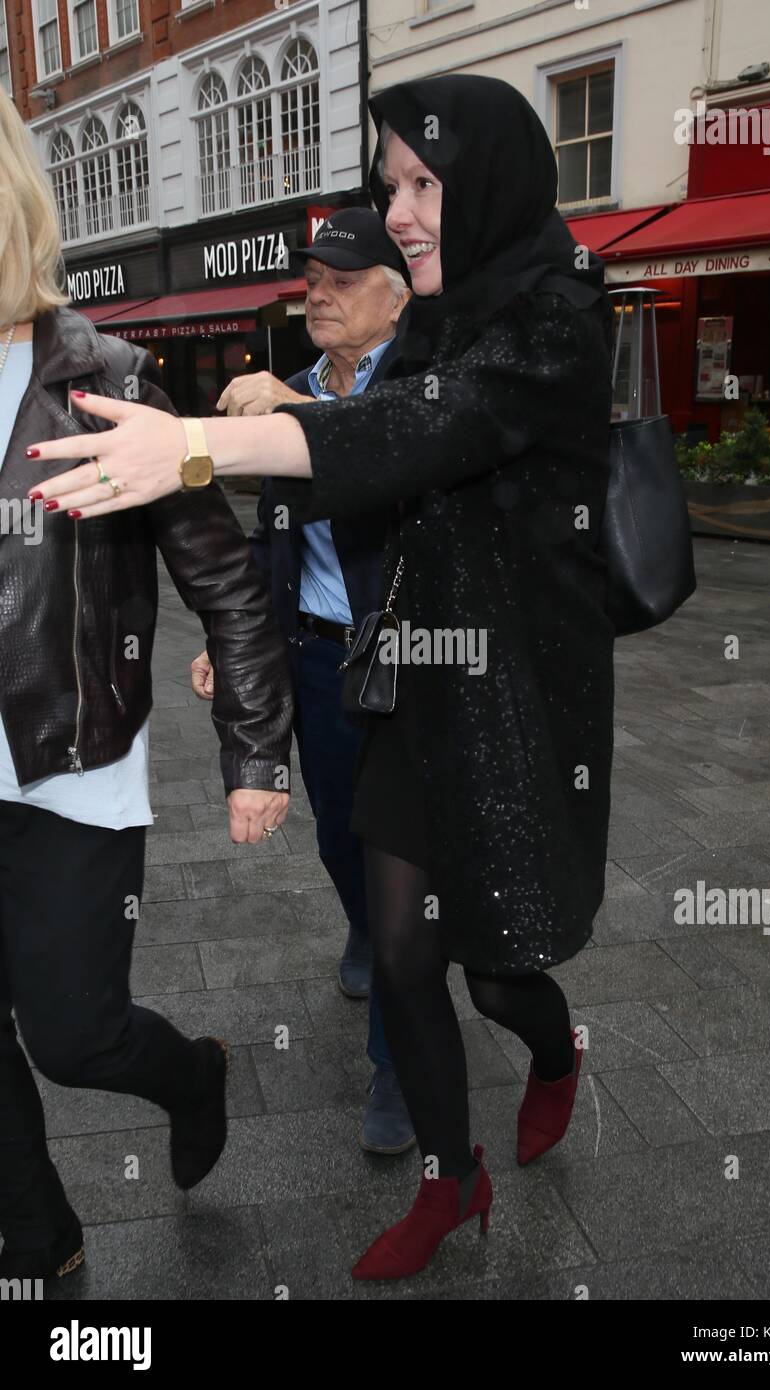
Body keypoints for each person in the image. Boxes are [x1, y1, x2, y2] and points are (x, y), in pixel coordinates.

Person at [28, 74, 616, 1283]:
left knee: (500, 977)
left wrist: (193, 443)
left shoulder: (554, 319)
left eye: (421, 184)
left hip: (512, 704)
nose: (397, 210)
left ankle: (553, 1053)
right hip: (406, 679)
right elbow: (363, 462)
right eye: (389, 182)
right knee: (399, 951)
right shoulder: (443, 312)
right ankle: (451, 1181)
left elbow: (412, 432)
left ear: (492, 180)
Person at [0, 86, 292, 1285]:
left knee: (71, 1032)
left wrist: (256, 751)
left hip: (69, 758)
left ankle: (192, 1073)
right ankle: (39, 1233)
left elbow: (223, 576)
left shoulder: (101, 373)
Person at [191, 209, 415, 1154]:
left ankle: (398, 1066)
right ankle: (364, 925)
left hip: (414, 660)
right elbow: (272, 531)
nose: (317, 291)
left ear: (396, 290)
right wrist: (235, 633)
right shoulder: (303, 384)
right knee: (336, 833)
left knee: (403, 864)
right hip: (316, 657)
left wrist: (292, 413)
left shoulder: (428, 372)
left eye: (343, 276)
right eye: (311, 276)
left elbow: (407, 454)